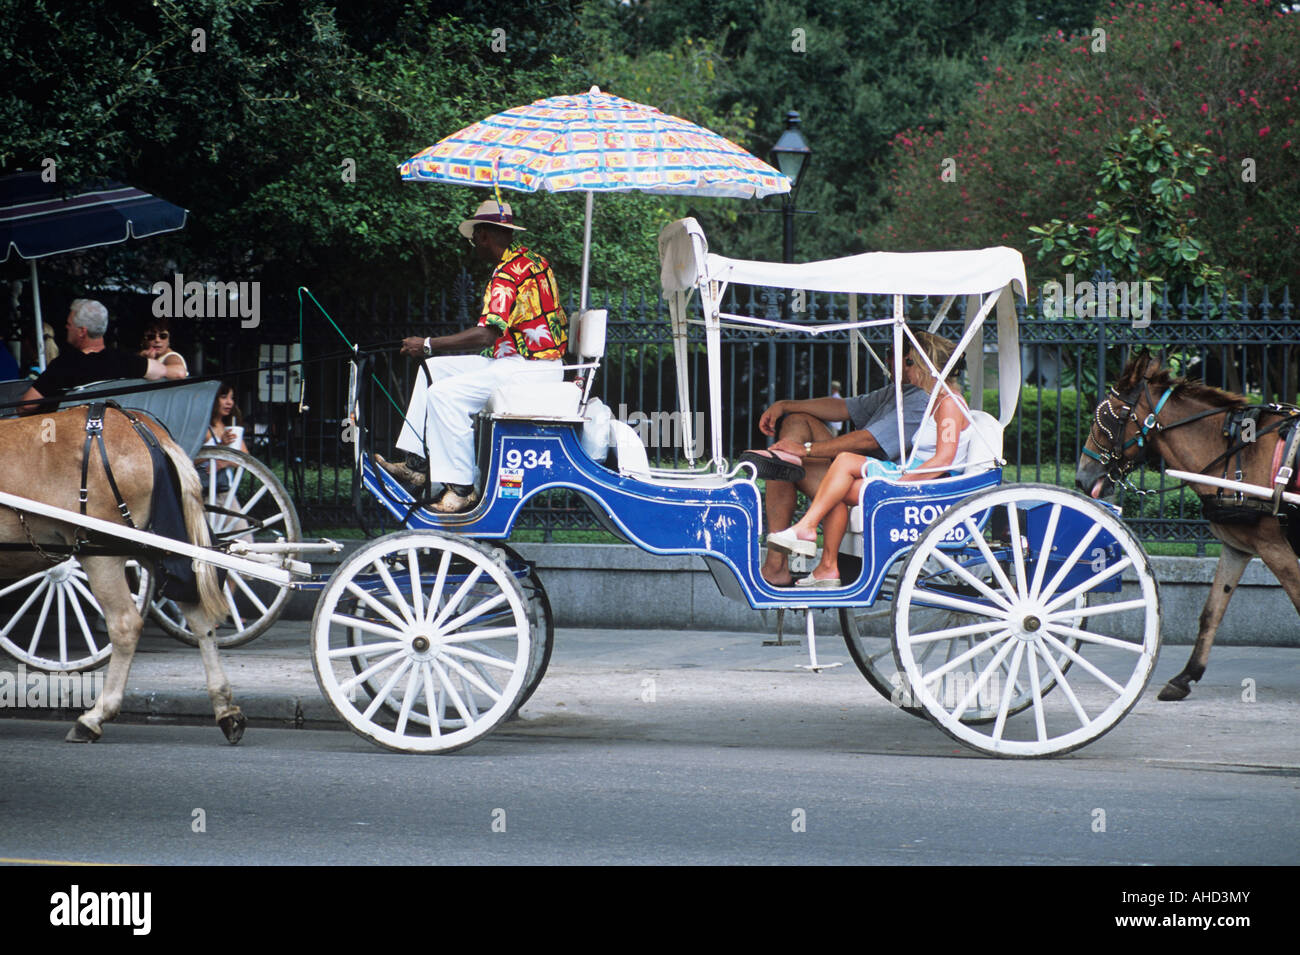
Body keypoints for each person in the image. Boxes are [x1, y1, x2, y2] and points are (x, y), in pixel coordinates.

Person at [376, 200, 567, 513]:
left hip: (531, 369)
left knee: (444, 395)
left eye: (472, 241)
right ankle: (419, 464)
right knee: (434, 371)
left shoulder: (507, 274)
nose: (473, 247)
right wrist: (431, 352)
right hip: (522, 361)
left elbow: (486, 335)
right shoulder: (532, 260)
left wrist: (427, 343)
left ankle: (463, 487)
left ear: (483, 236)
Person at [766, 331, 972, 587]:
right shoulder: (937, 401)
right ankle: (826, 566)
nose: (907, 370)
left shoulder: (949, 404)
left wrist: (900, 484)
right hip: (915, 472)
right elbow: (846, 409)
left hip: (927, 481)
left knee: (843, 465)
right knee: (839, 482)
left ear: (925, 366)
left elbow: (943, 459)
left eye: (910, 362)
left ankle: (809, 532)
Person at [744, 357, 931, 587]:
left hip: (877, 478)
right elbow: (844, 407)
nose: (887, 361)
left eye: (896, 356)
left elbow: (868, 439)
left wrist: (805, 450)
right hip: (861, 469)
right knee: (792, 434)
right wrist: (786, 405)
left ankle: (807, 557)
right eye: (887, 353)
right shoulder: (899, 392)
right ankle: (777, 564)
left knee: (810, 463)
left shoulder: (921, 399)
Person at [17, 299, 182, 412]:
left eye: (69, 325)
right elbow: (178, 372)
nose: (66, 328)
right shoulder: (127, 362)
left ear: (82, 331)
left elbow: (26, 406)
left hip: (69, 444)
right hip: (115, 440)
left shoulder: (63, 365)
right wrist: (159, 354)